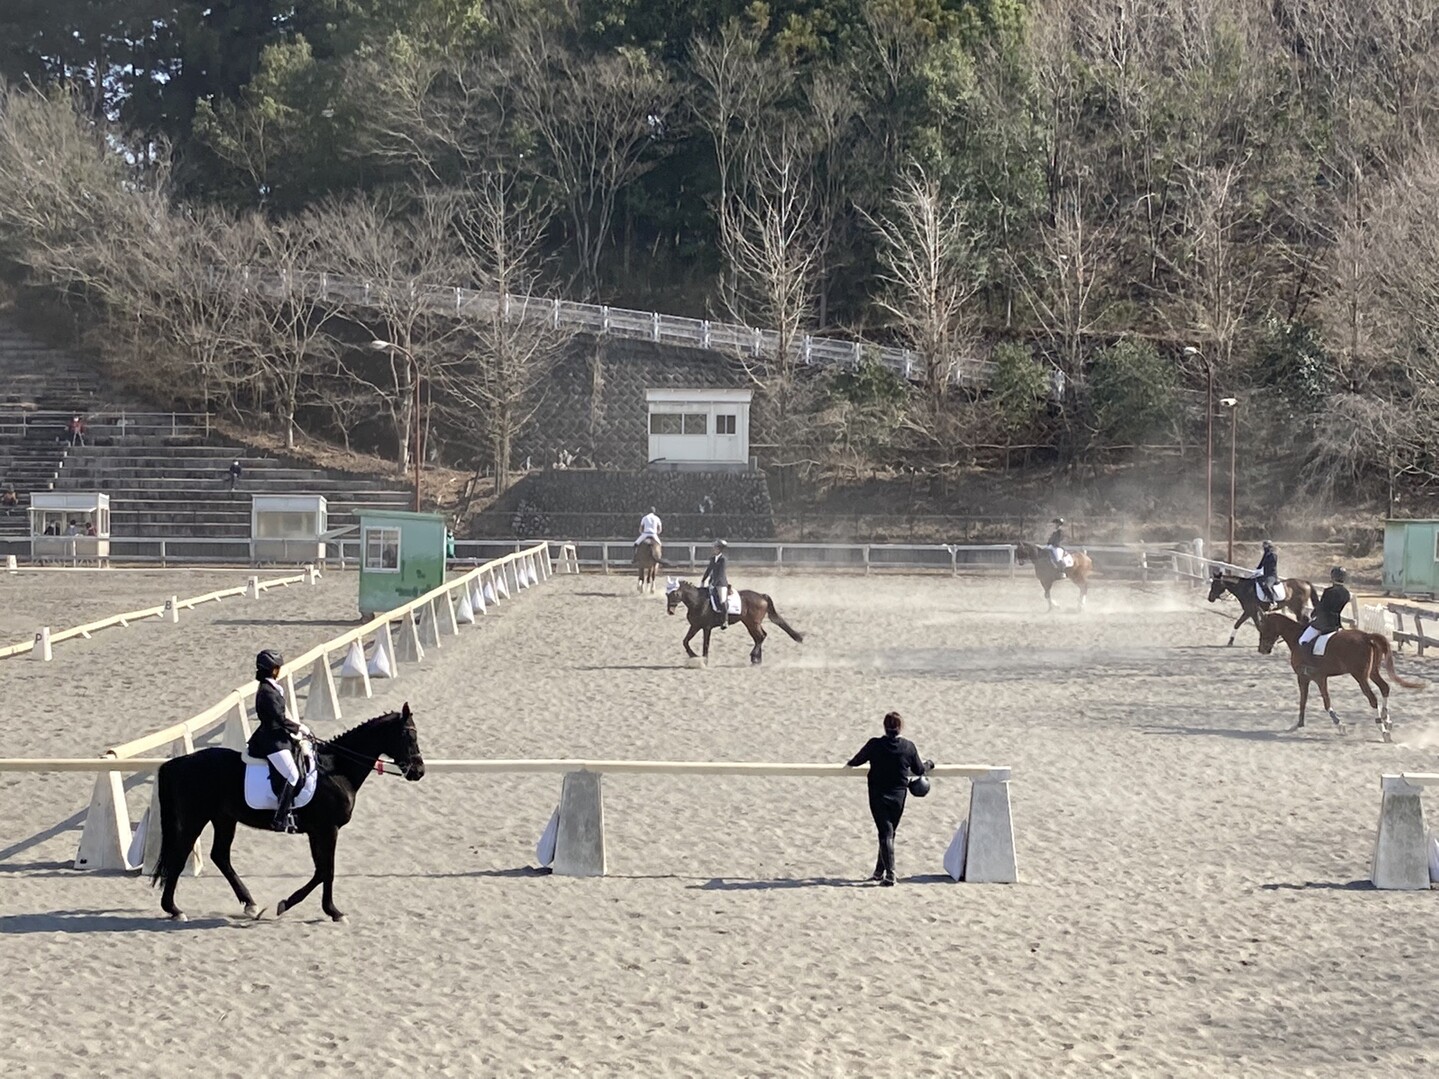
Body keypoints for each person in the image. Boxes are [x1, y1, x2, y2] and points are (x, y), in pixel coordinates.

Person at [846, 712, 933, 886]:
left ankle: (890, 874)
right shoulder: (908, 747)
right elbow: (919, 769)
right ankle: (879, 872)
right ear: (901, 727)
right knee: (889, 833)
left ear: (884, 727)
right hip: (899, 796)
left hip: (878, 794)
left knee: (885, 832)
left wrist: (851, 762)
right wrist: (929, 764)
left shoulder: (874, 745)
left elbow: (855, 761)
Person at [245, 649, 312, 832]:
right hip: (271, 740)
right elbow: (280, 719)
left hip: (278, 735)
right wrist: (299, 728)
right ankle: (280, 818)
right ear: (274, 669)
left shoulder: (270, 687)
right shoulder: (267, 692)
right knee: (292, 775)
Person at [1299, 567, 1352, 657]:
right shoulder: (1347, 594)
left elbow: (1321, 607)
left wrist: (1313, 614)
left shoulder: (1329, 591)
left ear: (1333, 577)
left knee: (1303, 640)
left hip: (1323, 623)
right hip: (1336, 624)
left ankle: (1309, 661)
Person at [700, 539, 730, 628]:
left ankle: (725, 620)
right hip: (713, 583)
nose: (713, 549)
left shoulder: (723, 560)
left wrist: (714, 584)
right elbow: (708, 570)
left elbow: (720, 573)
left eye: (715, 547)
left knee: (722, 600)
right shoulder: (713, 559)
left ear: (720, 549)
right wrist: (703, 580)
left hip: (721, 583)